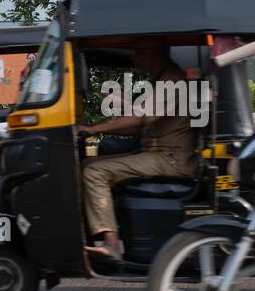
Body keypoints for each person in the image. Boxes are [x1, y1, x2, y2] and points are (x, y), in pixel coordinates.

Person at [78, 41, 197, 261]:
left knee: (94, 172)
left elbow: (136, 119)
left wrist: (90, 128)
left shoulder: (172, 81)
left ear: (154, 51)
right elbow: (138, 125)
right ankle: (105, 229)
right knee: (87, 165)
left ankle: (111, 244)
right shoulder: (161, 80)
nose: (134, 58)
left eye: (138, 51)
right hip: (158, 154)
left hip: (170, 159)